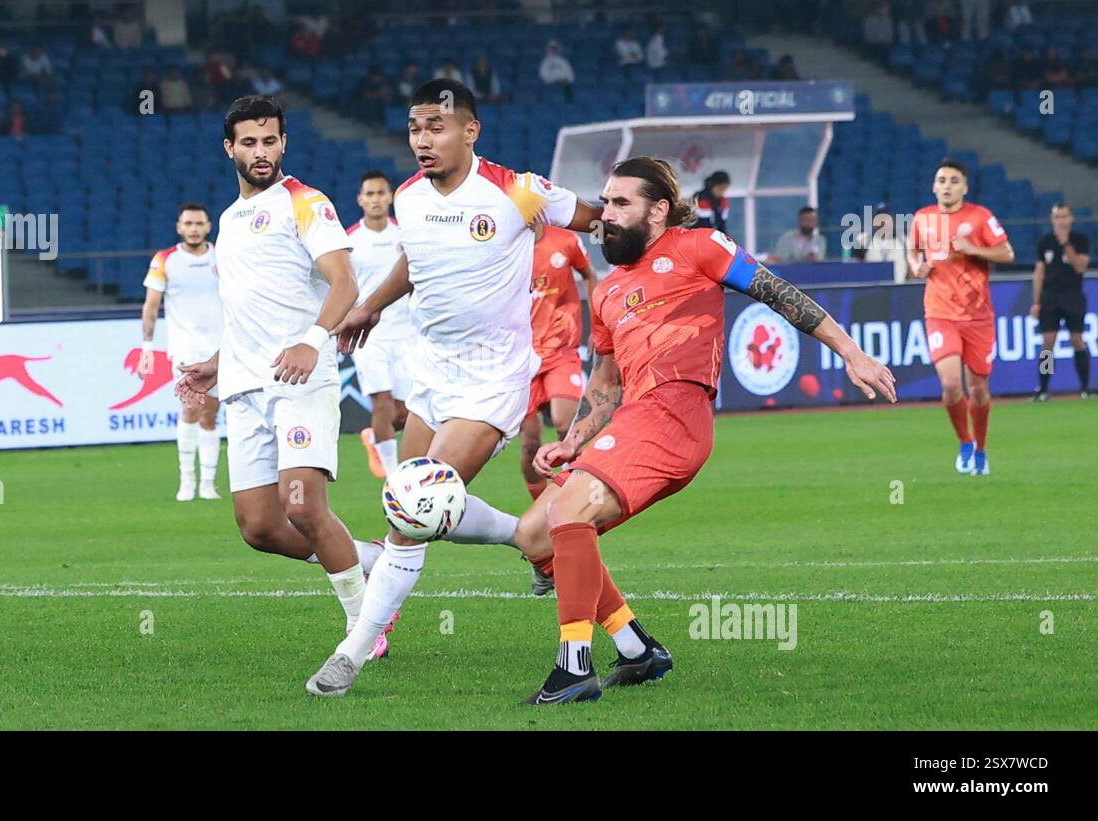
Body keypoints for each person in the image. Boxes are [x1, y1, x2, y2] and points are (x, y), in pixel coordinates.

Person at [510, 157, 895, 704]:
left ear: (659, 209)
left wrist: (851, 352)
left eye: (622, 203)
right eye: (606, 201)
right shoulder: (609, 292)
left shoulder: (700, 247)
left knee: (567, 512)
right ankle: (637, 648)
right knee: (533, 536)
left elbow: (775, 291)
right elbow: (606, 377)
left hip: (676, 413)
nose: (606, 215)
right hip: (638, 417)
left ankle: (574, 667)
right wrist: (574, 440)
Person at [305, 79, 605, 697]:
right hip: (431, 375)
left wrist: (660, 232)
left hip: (492, 380)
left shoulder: (518, 191)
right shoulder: (411, 198)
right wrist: (368, 307)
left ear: (470, 131)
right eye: (415, 128)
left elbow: (599, 219)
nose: (422, 139)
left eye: (436, 127)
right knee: (407, 501)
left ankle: (353, 650)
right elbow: (415, 263)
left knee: (411, 513)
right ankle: (527, 536)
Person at [173, 96, 393, 659]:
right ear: (230, 149)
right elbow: (248, 314)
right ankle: (369, 558)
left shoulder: (305, 202)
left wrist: (311, 342)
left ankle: (365, 627)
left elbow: (343, 285)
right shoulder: (226, 220)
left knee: (301, 505)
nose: (261, 151)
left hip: (303, 380)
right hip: (245, 389)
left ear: (284, 143)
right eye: (249, 142)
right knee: (260, 528)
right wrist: (215, 367)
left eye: (270, 140)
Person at [907, 158, 1014, 476]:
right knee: (952, 384)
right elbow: (913, 251)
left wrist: (973, 249)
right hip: (939, 313)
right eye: (942, 180)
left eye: (954, 180)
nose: (947, 185)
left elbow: (1007, 253)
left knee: (978, 388)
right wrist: (916, 266)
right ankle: (964, 443)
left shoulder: (981, 217)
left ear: (965, 187)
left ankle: (981, 449)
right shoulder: (922, 218)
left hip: (978, 317)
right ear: (934, 186)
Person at [139, 204, 224, 499]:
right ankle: (186, 479)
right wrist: (147, 346)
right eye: (188, 223)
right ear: (179, 227)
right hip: (186, 347)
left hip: (221, 348)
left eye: (199, 223)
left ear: (208, 226)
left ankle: (208, 483)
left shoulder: (223, 255)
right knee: (190, 408)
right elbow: (151, 306)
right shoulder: (165, 260)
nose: (194, 228)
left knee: (211, 414)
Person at [520, 223, 597, 507]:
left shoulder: (565, 241)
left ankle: (573, 499)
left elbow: (589, 274)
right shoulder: (505, 245)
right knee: (529, 443)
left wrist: (597, 324)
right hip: (520, 356)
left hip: (561, 350)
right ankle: (540, 506)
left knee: (566, 425)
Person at [347, 171, 412, 479]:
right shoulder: (350, 242)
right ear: (360, 199)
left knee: (404, 413)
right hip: (369, 336)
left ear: (390, 197)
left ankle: (374, 438)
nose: (375, 199)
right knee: (382, 403)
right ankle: (394, 477)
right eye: (369, 194)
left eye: (380, 193)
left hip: (407, 332)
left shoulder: (405, 235)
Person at [1032, 203, 1091, 400]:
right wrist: (1036, 301)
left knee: (1077, 340)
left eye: (1064, 216)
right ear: (1052, 219)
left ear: (1071, 218)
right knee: (1048, 343)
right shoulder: (1045, 241)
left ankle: (1084, 388)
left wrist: (1066, 244)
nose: (1061, 221)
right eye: (1057, 217)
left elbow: (1080, 267)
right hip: (1050, 298)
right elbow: (1039, 272)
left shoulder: (1080, 240)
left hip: (1073, 296)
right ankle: (1043, 389)